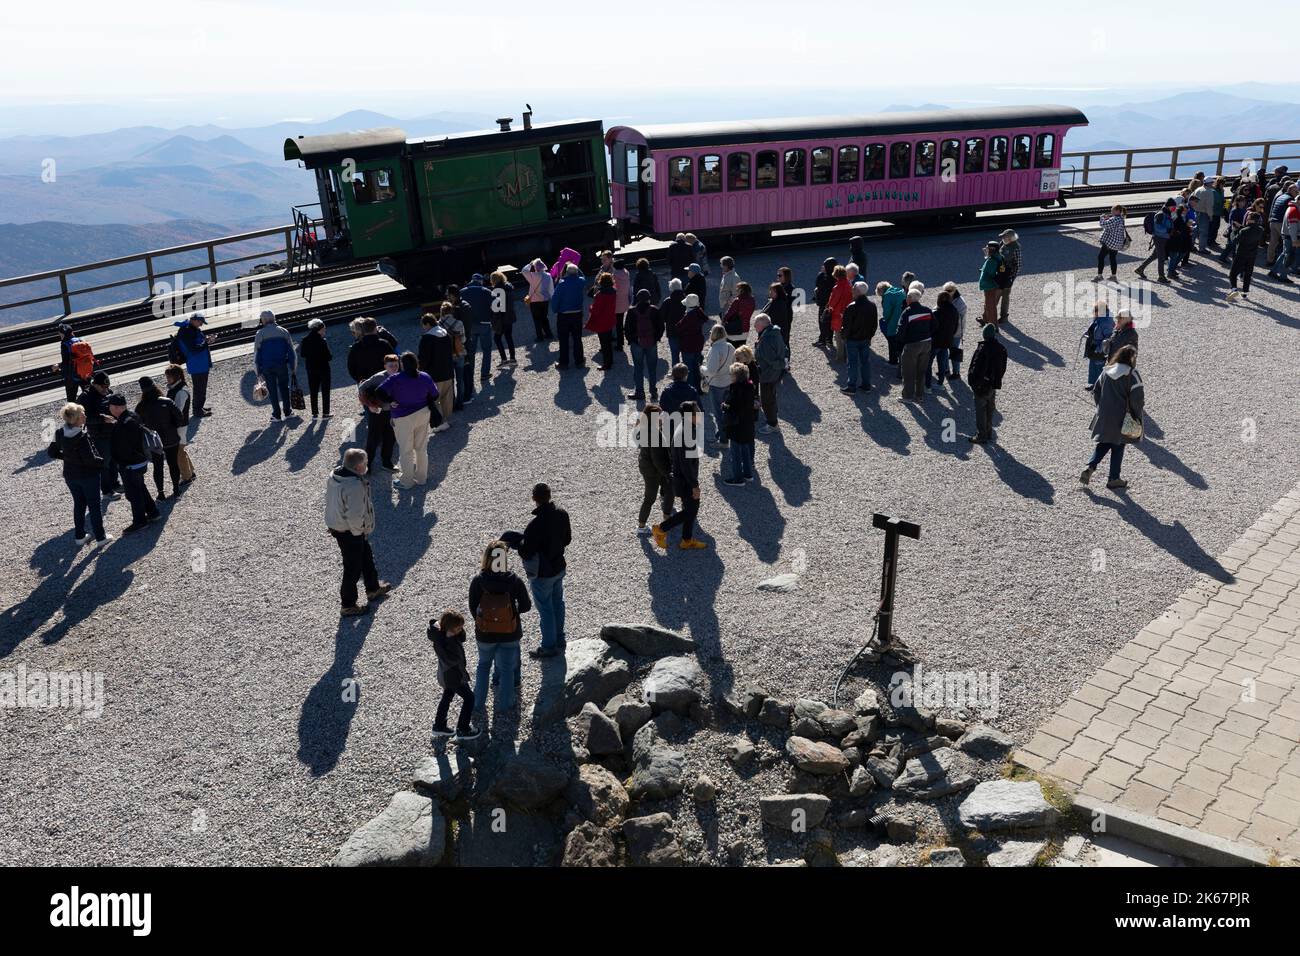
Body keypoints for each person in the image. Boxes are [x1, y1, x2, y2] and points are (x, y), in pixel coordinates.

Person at [325, 448, 392, 616]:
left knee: (366, 556)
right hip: (349, 531)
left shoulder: (335, 475)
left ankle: (373, 588)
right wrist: (359, 533)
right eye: (365, 463)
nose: (367, 465)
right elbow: (355, 515)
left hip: (338, 524)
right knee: (352, 568)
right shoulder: (354, 486)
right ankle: (348, 605)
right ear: (357, 467)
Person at [469, 541, 532, 716]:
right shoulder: (514, 580)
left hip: (485, 635)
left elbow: (473, 607)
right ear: (503, 559)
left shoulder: (478, 581)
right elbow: (526, 605)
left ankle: (478, 704)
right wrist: (512, 614)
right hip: (509, 633)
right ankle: (505, 705)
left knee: (483, 666)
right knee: (507, 669)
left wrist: (485, 622)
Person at [519, 483, 571, 659]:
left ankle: (549, 646)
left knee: (546, 609)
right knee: (558, 603)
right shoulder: (562, 514)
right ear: (550, 495)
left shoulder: (535, 524)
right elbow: (567, 539)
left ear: (534, 499)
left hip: (542, 573)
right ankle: (560, 638)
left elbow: (526, 552)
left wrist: (519, 545)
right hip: (559, 566)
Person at [1080, 344, 1143, 491]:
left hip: (1104, 414)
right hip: (1122, 416)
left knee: (1104, 442)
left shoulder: (1106, 371)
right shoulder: (1132, 374)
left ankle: (1090, 466)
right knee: (1119, 445)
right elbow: (1137, 398)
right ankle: (1114, 478)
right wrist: (1136, 414)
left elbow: (1096, 390)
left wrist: (1100, 407)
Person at [47, 402, 111, 546]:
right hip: (88, 476)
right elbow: (91, 460)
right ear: (76, 419)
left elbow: (52, 452)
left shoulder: (59, 433)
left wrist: (68, 457)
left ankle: (80, 536)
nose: (85, 416)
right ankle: (101, 537)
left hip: (70, 475)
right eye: (82, 414)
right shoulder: (82, 437)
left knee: (79, 504)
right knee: (94, 506)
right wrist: (103, 462)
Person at [377, 351, 437, 489]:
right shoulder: (425, 376)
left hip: (402, 417)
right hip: (423, 414)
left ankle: (407, 481)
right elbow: (434, 395)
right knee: (421, 448)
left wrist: (391, 401)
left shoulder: (395, 378)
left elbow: (379, 392)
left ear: (402, 364)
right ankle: (422, 478)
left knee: (406, 450)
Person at [652, 401, 706, 550]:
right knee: (691, 509)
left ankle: (686, 540)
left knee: (692, 508)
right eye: (697, 411)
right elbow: (686, 464)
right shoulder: (687, 433)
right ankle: (661, 529)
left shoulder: (683, 427)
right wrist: (694, 485)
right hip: (685, 479)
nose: (700, 413)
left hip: (680, 476)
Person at [106, 393, 160, 532]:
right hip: (140, 461)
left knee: (133, 494)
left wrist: (120, 463)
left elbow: (123, 448)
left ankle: (140, 521)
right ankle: (153, 512)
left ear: (117, 407)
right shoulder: (132, 416)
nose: (109, 408)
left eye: (110, 406)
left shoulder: (123, 424)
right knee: (140, 487)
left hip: (131, 464)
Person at [427, 610, 480, 740]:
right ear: (449, 628)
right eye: (458, 628)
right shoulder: (442, 641)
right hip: (453, 675)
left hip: (448, 675)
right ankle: (463, 729)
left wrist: (456, 633)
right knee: (469, 698)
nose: (460, 629)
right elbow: (452, 659)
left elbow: (463, 638)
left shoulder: (446, 634)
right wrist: (451, 639)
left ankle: (439, 726)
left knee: (447, 696)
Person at [136, 376, 184, 500]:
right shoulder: (166, 401)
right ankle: (176, 489)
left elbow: (138, 425)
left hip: (153, 442)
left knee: (158, 467)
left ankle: (161, 492)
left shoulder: (140, 407)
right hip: (171, 438)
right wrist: (172, 426)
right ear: (155, 386)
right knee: (173, 464)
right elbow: (180, 417)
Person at [78, 371, 120, 495]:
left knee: (114, 460)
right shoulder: (85, 397)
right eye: (103, 386)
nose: (105, 389)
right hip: (99, 435)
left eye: (107, 386)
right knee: (104, 463)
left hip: (112, 432)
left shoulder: (108, 392)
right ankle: (107, 491)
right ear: (95, 384)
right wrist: (102, 419)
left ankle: (115, 484)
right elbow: (83, 418)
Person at [635, 403, 674, 535]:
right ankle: (641, 525)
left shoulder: (643, 428)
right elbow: (657, 458)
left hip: (646, 465)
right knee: (650, 497)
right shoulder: (654, 434)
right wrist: (667, 473)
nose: (662, 417)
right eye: (660, 416)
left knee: (668, 490)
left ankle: (666, 516)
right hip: (653, 470)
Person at [253, 309, 298, 422]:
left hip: (267, 367)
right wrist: (293, 368)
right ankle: (288, 411)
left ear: (263, 320)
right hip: (281, 365)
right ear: (274, 318)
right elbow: (291, 352)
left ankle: (276, 415)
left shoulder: (260, 334)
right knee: (284, 388)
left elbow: (256, 355)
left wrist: (258, 372)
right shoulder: (283, 331)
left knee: (272, 390)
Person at [966, 323, 1007, 445]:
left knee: (980, 410)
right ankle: (988, 432)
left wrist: (973, 382)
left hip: (981, 385)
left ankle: (981, 435)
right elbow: (1002, 367)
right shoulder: (1001, 348)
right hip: (993, 384)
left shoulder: (982, 349)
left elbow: (975, 367)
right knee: (990, 409)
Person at [358, 354, 399, 474]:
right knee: (373, 440)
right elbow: (361, 388)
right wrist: (369, 405)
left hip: (392, 413)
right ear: (385, 366)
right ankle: (367, 466)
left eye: (396, 365)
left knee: (390, 438)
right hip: (377, 413)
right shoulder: (378, 377)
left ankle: (387, 463)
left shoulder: (399, 376)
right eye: (391, 366)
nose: (394, 368)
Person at [418, 311, 455, 431]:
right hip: (448, 372)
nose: (423, 328)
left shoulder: (427, 338)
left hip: (434, 375)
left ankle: (439, 422)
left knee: (435, 399)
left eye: (424, 325)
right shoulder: (446, 334)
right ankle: (446, 418)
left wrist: (420, 371)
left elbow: (424, 359)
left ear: (427, 324)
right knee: (447, 397)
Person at [721, 363, 757, 486]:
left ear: (736, 376)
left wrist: (724, 405)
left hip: (736, 425)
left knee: (735, 453)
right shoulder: (750, 386)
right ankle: (748, 474)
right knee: (745, 449)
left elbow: (732, 407)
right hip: (748, 423)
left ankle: (738, 478)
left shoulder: (735, 389)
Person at [701, 325, 736, 448]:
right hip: (728, 382)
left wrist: (701, 368)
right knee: (726, 410)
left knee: (719, 413)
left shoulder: (715, 349)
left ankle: (723, 440)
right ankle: (723, 433)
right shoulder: (730, 346)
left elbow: (711, 371)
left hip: (717, 384)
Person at [627, 289, 664, 402]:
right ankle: (653, 391)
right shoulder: (654, 310)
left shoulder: (632, 311)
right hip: (651, 342)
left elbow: (627, 328)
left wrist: (632, 340)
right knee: (652, 368)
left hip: (637, 343)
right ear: (649, 298)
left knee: (638, 367)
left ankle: (639, 392)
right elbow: (661, 327)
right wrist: (656, 339)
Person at [839, 282, 877, 394]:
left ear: (857, 291)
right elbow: (874, 324)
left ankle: (851, 386)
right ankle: (866, 385)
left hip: (852, 340)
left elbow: (847, 326)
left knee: (852, 363)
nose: (852, 290)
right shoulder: (872, 305)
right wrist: (870, 336)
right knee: (865, 362)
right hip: (865, 339)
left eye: (853, 288)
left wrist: (843, 336)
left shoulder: (851, 307)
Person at [174, 312, 214, 417]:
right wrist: (206, 343)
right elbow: (193, 349)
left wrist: (205, 340)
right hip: (197, 364)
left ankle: (199, 407)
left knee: (201, 387)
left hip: (200, 363)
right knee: (199, 388)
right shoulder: (187, 331)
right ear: (194, 320)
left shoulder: (191, 329)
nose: (201, 324)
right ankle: (197, 410)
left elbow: (197, 344)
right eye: (201, 322)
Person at [897, 289, 933, 402]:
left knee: (908, 371)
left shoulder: (907, 312)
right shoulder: (927, 310)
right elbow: (935, 325)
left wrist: (903, 341)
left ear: (909, 298)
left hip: (912, 344)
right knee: (921, 371)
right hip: (927, 343)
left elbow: (900, 330)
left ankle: (907, 396)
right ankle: (919, 396)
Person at [460, 274, 496, 388]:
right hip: (484, 324)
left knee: (471, 352)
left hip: (469, 326)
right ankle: (484, 374)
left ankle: (470, 375)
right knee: (486, 349)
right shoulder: (486, 291)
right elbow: (496, 306)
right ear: (480, 281)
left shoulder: (462, 292)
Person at [164, 364, 196, 487]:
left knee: (178, 451)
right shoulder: (175, 388)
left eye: (169, 377)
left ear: (176, 377)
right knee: (180, 449)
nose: (167, 379)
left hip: (179, 425)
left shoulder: (181, 392)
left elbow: (178, 410)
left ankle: (186, 476)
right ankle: (190, 471)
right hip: (178, 425)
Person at [753, 313, 787, 432]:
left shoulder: (766, 339)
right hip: (775, 373)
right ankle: (773, 415)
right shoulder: (775, 332)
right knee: (771, 396)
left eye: (756, 325)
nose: (754, 327)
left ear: (762, 325)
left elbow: (770, 359)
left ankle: (772, 424)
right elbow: (785, 349)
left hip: (768, 374)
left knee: (767, 400)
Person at [551, 263, 587, 369]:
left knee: (563, 339)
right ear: (576, 273)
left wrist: (555, 310)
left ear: (566, 273)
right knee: (577, 338)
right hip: (577, 314)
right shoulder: (581, 281)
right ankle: (579, 361)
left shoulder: (561, 284)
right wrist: (577, 268)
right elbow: (583, 275)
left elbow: (555, 299)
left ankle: (564, 363)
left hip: (564, 316)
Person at [298, 318, 333, 418]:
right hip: (324, 368)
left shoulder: (305, 340)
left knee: (313, 391)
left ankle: (314, 413)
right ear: (319, 329)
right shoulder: (322, 341)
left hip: (311, 368)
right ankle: (326, 413)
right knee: (325, 391)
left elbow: (303, 354)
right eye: (324, 329)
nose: (325, 331)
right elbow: (329, 357)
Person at [1227, 213, 1265, 302]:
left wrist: (1234, 231)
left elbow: (1234, 240)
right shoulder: (1260, 230)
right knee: (1247, 274)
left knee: (1232, 273)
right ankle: (1245, 294)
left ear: (1251, 219)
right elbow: (1250, 230)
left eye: (1248, 217)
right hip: (1252, 255)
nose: (1247, 218)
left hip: (1241, 254)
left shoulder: (1243, 231)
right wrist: (1241, 227)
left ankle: (1234, 290)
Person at [1137, 198, 1177, 283]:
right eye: (1173, 206)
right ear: (1168, 206)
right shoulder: (1161, 214)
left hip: (1163, 237)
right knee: (1161, 258)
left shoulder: (1167, 213)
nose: (1174, 208)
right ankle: (1161, 277)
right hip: (1159, 238)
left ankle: (1140, 269)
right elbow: (1157, 227)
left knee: (1154, 255)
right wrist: (1168, 230)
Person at [586, 271, 618, 372]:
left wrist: (590, 307)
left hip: (602, 322)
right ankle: (610, 361)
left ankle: (607, 364)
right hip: (610, 319)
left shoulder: (600, 295)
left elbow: (595, 310)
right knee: (608, 342)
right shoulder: (613, 292)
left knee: (604, 343)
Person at [677, 295, 709, 392]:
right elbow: (705, 318)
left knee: (689, 369)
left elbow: (679, 328)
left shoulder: (689, 316)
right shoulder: (699, 312)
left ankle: (691, 390)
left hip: (688, 345)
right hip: (698, 344)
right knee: (697, 367)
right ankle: (699, 388)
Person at [929, 290, 958, 391]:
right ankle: (940, 383)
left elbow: (931, 328)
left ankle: (927, 384)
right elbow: (956, 327)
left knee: (928, 363)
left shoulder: (936, 312)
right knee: (942, 364)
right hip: (947, 342)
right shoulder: (954, 310)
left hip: (935, 342)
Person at [1082, 299, 1115, 388]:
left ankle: (1100, 387)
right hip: (1094, 347)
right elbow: (1094, 327)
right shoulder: (1099, 318)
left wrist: (1100, 348)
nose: (1093, 313)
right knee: (1093, 367)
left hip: (1100, 349)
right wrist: (1088, 332)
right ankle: (1094, 384)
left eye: (1095, 311)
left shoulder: (1107, 322)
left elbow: (1109, 337)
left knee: (1099, 367)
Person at [52, 323, 88, 402]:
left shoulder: (65, 345)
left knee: (71, 400)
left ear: (63, 334)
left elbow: (65, 363)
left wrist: (57, 367)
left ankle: (72, 413)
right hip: (85, 374)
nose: (59, 335)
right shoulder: (80, 341)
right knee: (89, 397)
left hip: (72, 377)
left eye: (59, 333)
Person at [488, 270, 518, 365]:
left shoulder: (497, 290)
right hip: (510, 316)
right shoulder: (509, 288)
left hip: (501, 318)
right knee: (509, 337)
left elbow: (496, 308)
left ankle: (504, 359)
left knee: (497, 338)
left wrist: (493, 319)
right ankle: (512, 358)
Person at [1268, 191, 1298, 283]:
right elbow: (1292, 227)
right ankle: (1283, 276)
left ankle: (1273, 271)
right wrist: (1294, 240)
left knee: (1285, 254)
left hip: (1287, 235)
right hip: (1290, 236)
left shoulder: (1292, 207)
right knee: (1288, 256)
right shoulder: (1294, 210)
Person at [521, 259, 554, 341]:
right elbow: (551, 288)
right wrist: (551, 297)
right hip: (545, 300)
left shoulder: (532, 275)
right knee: (545, 318)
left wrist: (530, 263)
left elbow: (524, 271)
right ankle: (549, 334)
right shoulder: (548, 275)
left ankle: (540, 336)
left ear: (535, 267)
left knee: (537, 319)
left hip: (534, 301)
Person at [877, 279, 906, 371]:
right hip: (903, 320)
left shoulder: (887, 296)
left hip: (893, 321)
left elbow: (887, 312)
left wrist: (886, 320)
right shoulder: (900, 291)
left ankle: (893, 361)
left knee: (891, 339)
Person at [826, 266, 852, 363]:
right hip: (847, 312)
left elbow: (832, 302)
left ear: (836, 275)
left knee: (838, 337)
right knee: (846, 336)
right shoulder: (849, 285)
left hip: (838, 314)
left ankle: (840, 357)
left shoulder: (837, 287)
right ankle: (848, 355)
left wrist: (829, 308)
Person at [943, 282, 968, 381]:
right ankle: (946, 369)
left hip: (956, 332)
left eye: (949, 291)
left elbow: (961, 320)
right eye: (945, 291)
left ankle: (956, 372)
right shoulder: (946, 297)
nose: (947, 293)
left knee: (954, 351)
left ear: (954, 290)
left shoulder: (961, 303)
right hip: (946, 330)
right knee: (944, 350)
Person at [1095, 206, 1127, 281]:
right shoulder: (1121, 219)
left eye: (1112, 211)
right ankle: (1113, 276)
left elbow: (1103, 224)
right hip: (1117, 243)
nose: (1111, 212)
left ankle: (1099, 276)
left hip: (1110, 243)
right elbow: (1111, 225)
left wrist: (1101, 218)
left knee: (1100, 257)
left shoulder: (1114, 219)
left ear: (1117, 211)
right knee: (1112, 258)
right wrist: (1108, 219)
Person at [721, 280, 756, 348]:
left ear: (741, 290)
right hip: (745, 329)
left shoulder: (737, 301)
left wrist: (723, 320)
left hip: (734, 329)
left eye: (737, 289)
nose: (736, 290)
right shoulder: (752, 300)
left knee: (731, 350)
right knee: (741, 350)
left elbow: (729, 314)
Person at [661, 278, 687, 367]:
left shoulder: (667, 301)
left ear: (671, 288)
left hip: (672, 332)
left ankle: (676, 375)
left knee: (674, 356)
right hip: (685, 332)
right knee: (685, 355)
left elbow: (662, 317)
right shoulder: (686, 300)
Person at [997, 229, 1021, 322]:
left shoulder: (1016, 248)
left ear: (1010, 239)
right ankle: (990, 316)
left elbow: (1018, 265)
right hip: (999, 274)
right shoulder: (1002, 244)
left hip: (1008, 276)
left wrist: (1012, 278)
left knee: (1005, 297)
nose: (1002, 238)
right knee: (996, 295)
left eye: (1005, 237)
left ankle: (1004, 316)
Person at [813, 258, 838, 347]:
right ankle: (828, 340)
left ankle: (822, 340)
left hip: (826, 304)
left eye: (824, 265)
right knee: (828, 322)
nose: (822, 267)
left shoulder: (824, 277)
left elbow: (818, 287)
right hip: (829, 304)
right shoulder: (835, 278)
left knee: (823, 321)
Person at [978, 242, 1004, 325]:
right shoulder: (998, 257)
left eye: (988, 249)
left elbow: (990, 272)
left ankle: (993, 325)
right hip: (991, 285)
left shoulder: (991, 260)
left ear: (992, 250)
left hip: (990, 286)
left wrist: (984, 271)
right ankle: (985, 320)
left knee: (991, 307)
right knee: (989, 305)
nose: (986, 250)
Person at [765, 278, 794, 352]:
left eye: (772, 291)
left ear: (778, 292)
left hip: (778, 332)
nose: (770, 292)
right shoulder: (774, 301)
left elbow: (772, 318)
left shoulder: (779, 303)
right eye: (770, 290)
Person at [1166, 204, 1192, 280]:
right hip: (1174, 240)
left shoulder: (1183, 217)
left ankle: (1172, 269)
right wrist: (1186, 226)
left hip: (1181, 240)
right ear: (1182, 211)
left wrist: (1189, 228)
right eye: (1185, 210)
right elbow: (1176, 229)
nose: (1187, 211)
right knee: (1174, 256)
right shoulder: (1177, 218)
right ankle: (1170, 272)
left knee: (1180, 254)